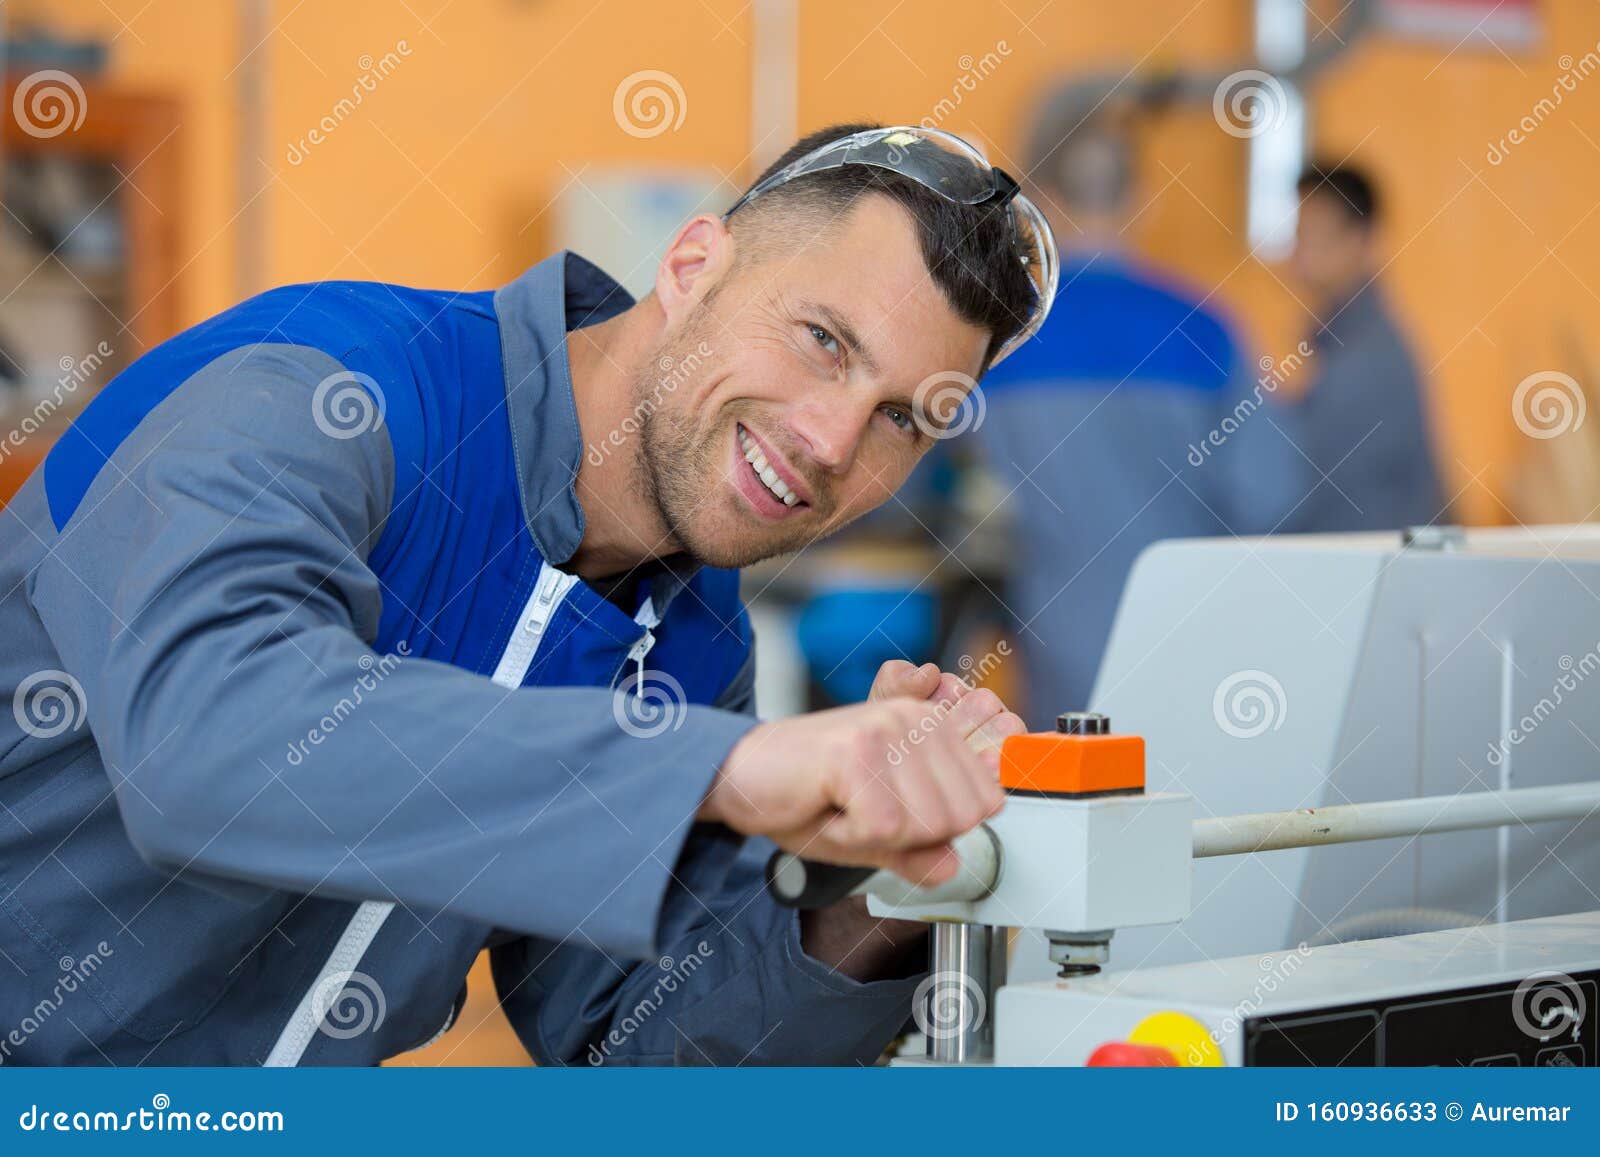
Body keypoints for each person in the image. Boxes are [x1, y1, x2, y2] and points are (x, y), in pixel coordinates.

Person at [0, 123, 1048, 1066]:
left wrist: (891, 881)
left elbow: (642, 1045)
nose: (831, 441)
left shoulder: (691, 640)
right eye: (822, 339)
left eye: (905, 418)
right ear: (692, 265)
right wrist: (721, 769)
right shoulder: (324, 392)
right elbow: (210, 736)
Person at [976, 101, 1303, 725]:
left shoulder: (1000, 340)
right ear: (1142, 200)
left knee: (1072, 811)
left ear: (1038, 204)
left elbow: (933, 490)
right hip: (1194, 657)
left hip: (1056, 662)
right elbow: (1271, 497)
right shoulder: (1207, 331)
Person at [1287, 162, 1444, 531]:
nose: (1299, 254)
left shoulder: (1365, 361)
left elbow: (1294, 493)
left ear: (1361, 240)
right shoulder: (1347, 343)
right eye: (1297, 235)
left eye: (1314, 236)